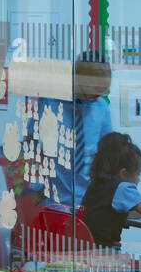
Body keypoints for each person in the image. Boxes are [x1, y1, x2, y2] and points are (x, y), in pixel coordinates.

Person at [40, 48, 113, 207]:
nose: (95, 99)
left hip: (88, 198)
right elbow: (32, 142)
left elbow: (109, 151)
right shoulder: (49, 101)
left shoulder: (101, 107)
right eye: (91, 93)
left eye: (99, 93)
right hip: (53, 197)